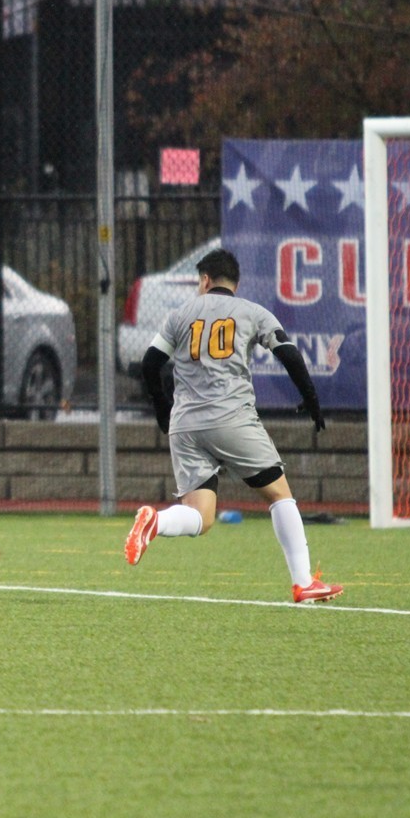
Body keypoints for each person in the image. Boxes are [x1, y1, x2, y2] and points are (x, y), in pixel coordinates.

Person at [126, 247, 341, 603]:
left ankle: (155, 522)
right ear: (232, 283)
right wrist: (311, 399)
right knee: (279, 494)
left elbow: (150, 364)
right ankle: (303, 582)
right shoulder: (252, 312)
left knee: (202, 516)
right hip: (231, 418)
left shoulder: (180, 314)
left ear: (206, 280)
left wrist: (164, 410)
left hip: (185, 425)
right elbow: (287, 352)